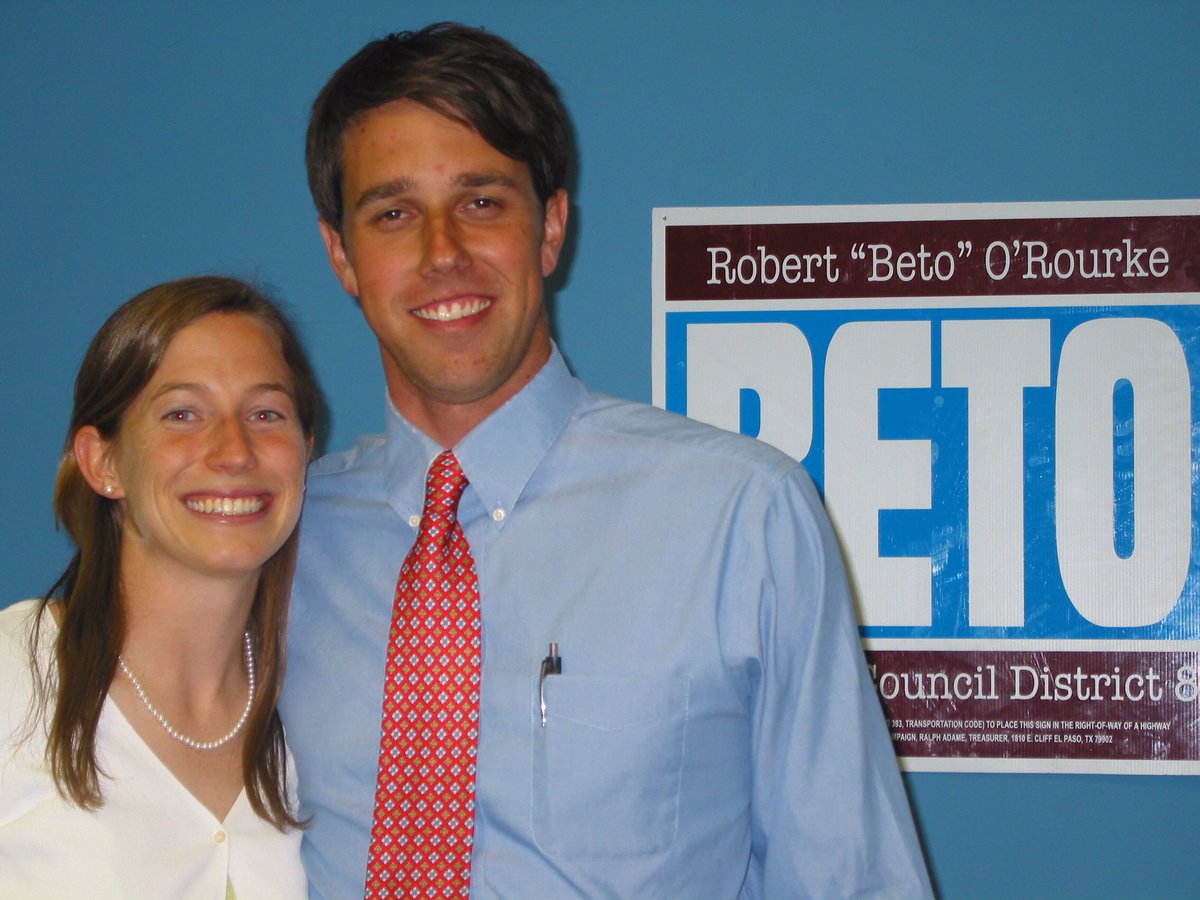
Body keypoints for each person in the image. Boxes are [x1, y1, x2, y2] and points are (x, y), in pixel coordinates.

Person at [282, 22, 933, 898]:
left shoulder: (741, 516)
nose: (442, 252)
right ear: (341, 256)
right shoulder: (279, 541)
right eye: (393, 213)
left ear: (550, 229)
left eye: (482, 202)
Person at [0, 276, 319, 897]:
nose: (234, 451)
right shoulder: (15, 674)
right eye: (182, 414)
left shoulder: (314, 718)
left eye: (265, 413)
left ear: (306, 452)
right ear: (104, 462)